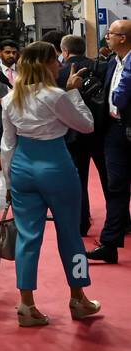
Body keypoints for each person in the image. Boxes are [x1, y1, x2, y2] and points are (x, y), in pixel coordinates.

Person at [0, 42, 101, 326]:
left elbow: (7, 143)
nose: (59, 63)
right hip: (56, 166)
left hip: (22, 167)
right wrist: (73, 92)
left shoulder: (10, 98)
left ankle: (26, 304)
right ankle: (78, 298)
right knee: (70, 235)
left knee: (27, 237)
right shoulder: (55, 96)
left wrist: (9, 181)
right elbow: (86, 125)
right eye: (55, 60)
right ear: (46, 64)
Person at [89, 18, 131, 263]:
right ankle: (110, 243)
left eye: (110, 34)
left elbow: (122, 96)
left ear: (122, 38)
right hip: (115, 131)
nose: (107, 38)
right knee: (115, 187)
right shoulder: (111, 63)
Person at [58, 35, 109, 235]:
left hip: (73, 134)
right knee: (109, 179)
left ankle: (81, 222)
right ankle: (121, 220)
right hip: (102, 131)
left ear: (65, 51)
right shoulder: (102, 68)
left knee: (78, 180)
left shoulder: (60, 73)